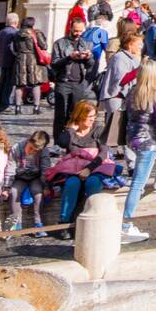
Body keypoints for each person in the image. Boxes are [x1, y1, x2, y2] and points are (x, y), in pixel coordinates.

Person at [121, 59, 156, 242]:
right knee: (138, 184)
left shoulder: (132, 92)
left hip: (133, 139)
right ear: (155, 76)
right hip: (148, 143)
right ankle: (125, 226)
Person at [46, 100, 115, 237]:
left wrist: (89, 169)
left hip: (96, 167)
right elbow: (62, 143)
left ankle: (91, 220)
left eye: (94, 116)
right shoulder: (71, 132)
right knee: (72, 184)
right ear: (80, 116)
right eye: (90, 117)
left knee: (92, 183)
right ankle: (64, 223)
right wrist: (70, 129)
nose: (93, 119)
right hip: (74, 169)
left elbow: (103, 153)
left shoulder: (98, 130)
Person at [50, 17, 98, 140]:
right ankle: (58, 141)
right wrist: (69, 57)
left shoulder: (86, 43)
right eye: (76, 30)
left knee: (77, 113)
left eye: (81, 31)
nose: (78, 33)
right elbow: (54, 63)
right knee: (60, 114)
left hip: (79, 82)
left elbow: (90, 65)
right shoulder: (60, 43)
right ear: (70, 28)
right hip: (63, 81)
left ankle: (73, 139)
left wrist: (88, 58)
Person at [6, 130, 50, 236]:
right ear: (28, 141)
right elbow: (10, 168)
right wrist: (6, 187)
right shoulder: (17, 148)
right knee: (14, 192)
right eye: (30, 148)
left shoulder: (44, 151)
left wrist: (46, 186)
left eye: (36, 151)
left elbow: (45, 169)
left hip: (35, 177)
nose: (32, 152)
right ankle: (17, 224)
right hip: (19, 177)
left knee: (38, 193)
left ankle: (38, 224)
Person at [10, 16, 49, 116]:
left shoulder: (17, 34)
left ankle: (17, 107)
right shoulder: (36, 33)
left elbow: (14, 47)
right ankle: (36, 107)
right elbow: (44, 46)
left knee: (20, 84)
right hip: (34, 60)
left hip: (20, 59)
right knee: (36, 84)